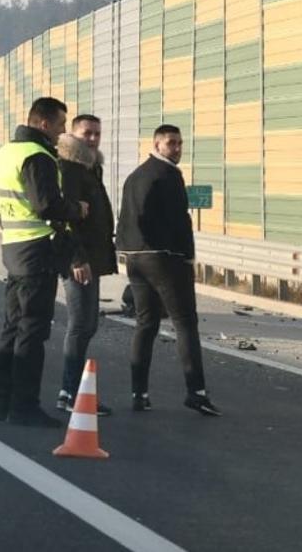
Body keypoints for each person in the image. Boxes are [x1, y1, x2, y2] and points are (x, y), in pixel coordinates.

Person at [0, 97, 88, 427]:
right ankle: (25, 406)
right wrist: (76, 209)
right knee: (33, 330)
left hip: (12, 248)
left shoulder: (5, 152)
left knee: (12, 327)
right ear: (43, 124)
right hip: (37, 249)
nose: (63, 131)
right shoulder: (38, 156)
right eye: (61, 125)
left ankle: (3, 403)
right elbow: (46, 205)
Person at [115, 124, 220, 416]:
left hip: (135, 257)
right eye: (171, 143)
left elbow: (127, 216)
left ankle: (139, 393)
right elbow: (179, 222)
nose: (177, 148)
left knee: (146, 323)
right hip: (163, 257)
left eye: (179, 143)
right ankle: (196, 392)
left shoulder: (135, 175)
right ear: (157, 144)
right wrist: (186, 257)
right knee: (185, 322)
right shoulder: (168, 175)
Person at [55, 114, 117, 415]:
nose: (92, 139)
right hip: (79, 260)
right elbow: (65, 216)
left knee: (88, 324)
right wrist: (76, 258)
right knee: (80, 325)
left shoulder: (91, 167)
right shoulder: (69, 167)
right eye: (87, 134)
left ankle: (74, 390)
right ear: (73, 134)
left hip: (93, 257)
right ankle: (69, 392)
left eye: (97, 134)